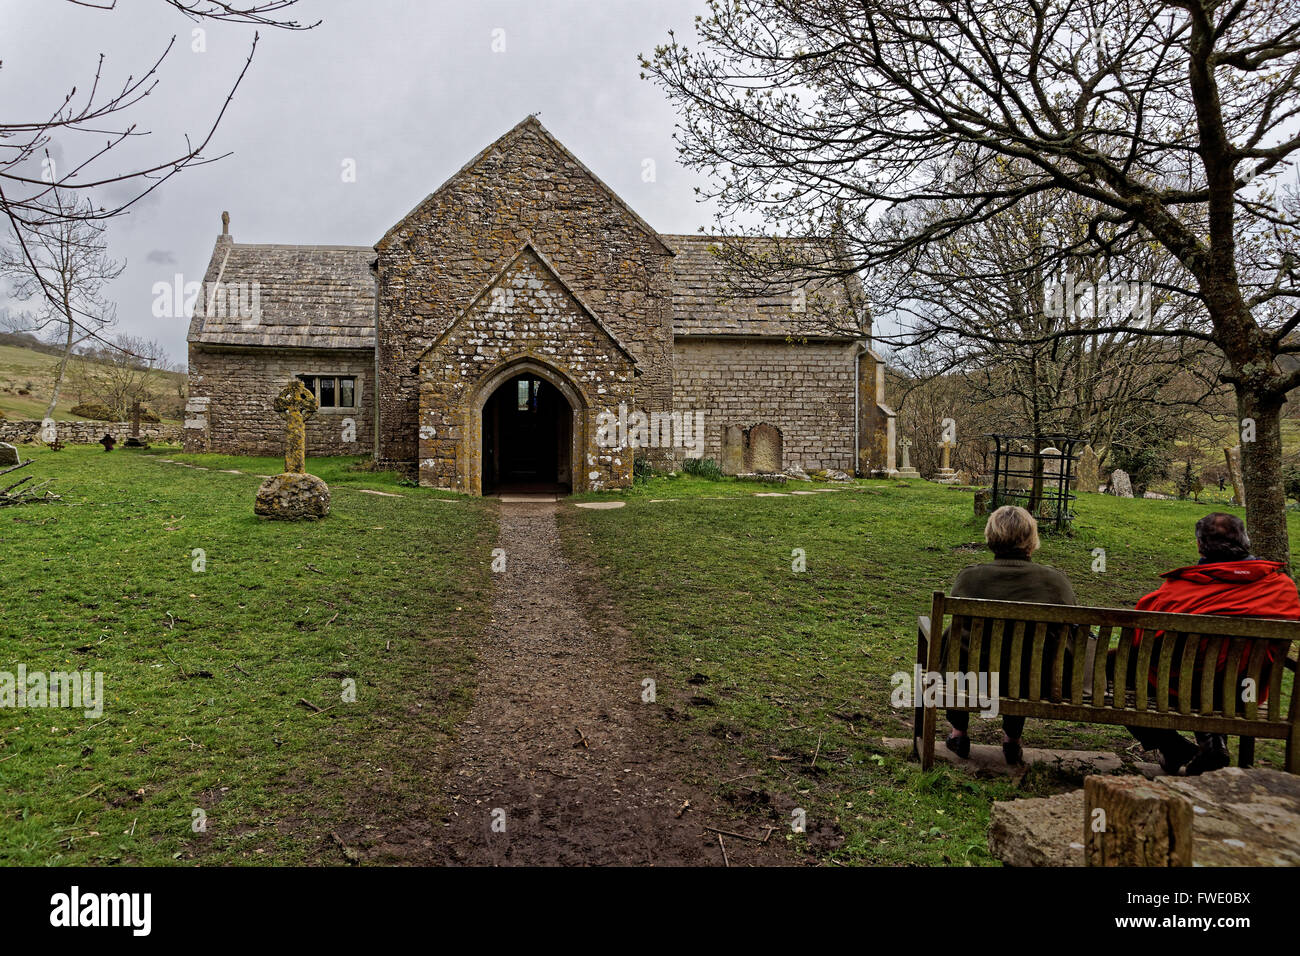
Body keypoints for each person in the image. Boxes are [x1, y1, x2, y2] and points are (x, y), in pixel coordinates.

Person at [1126, 513, 1300, 775]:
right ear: (1246, 542)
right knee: (1218, 667)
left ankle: (1173, 747)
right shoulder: (1281, 588)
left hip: (1181, 689)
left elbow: (1141, 637)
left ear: (1199, 546)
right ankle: (1211, 740)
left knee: (1119, 664)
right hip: (1244, 694)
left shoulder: (1177, 592)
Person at [943, 505, 1077, 765]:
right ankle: (1012, 739)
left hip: (974, 679)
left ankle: (959, 732)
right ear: (1031, 540)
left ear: (990, 538)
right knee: (1027, 654)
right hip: (1034, 682)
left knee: (957, 641)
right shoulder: (1055, 582)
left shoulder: (970, 579)